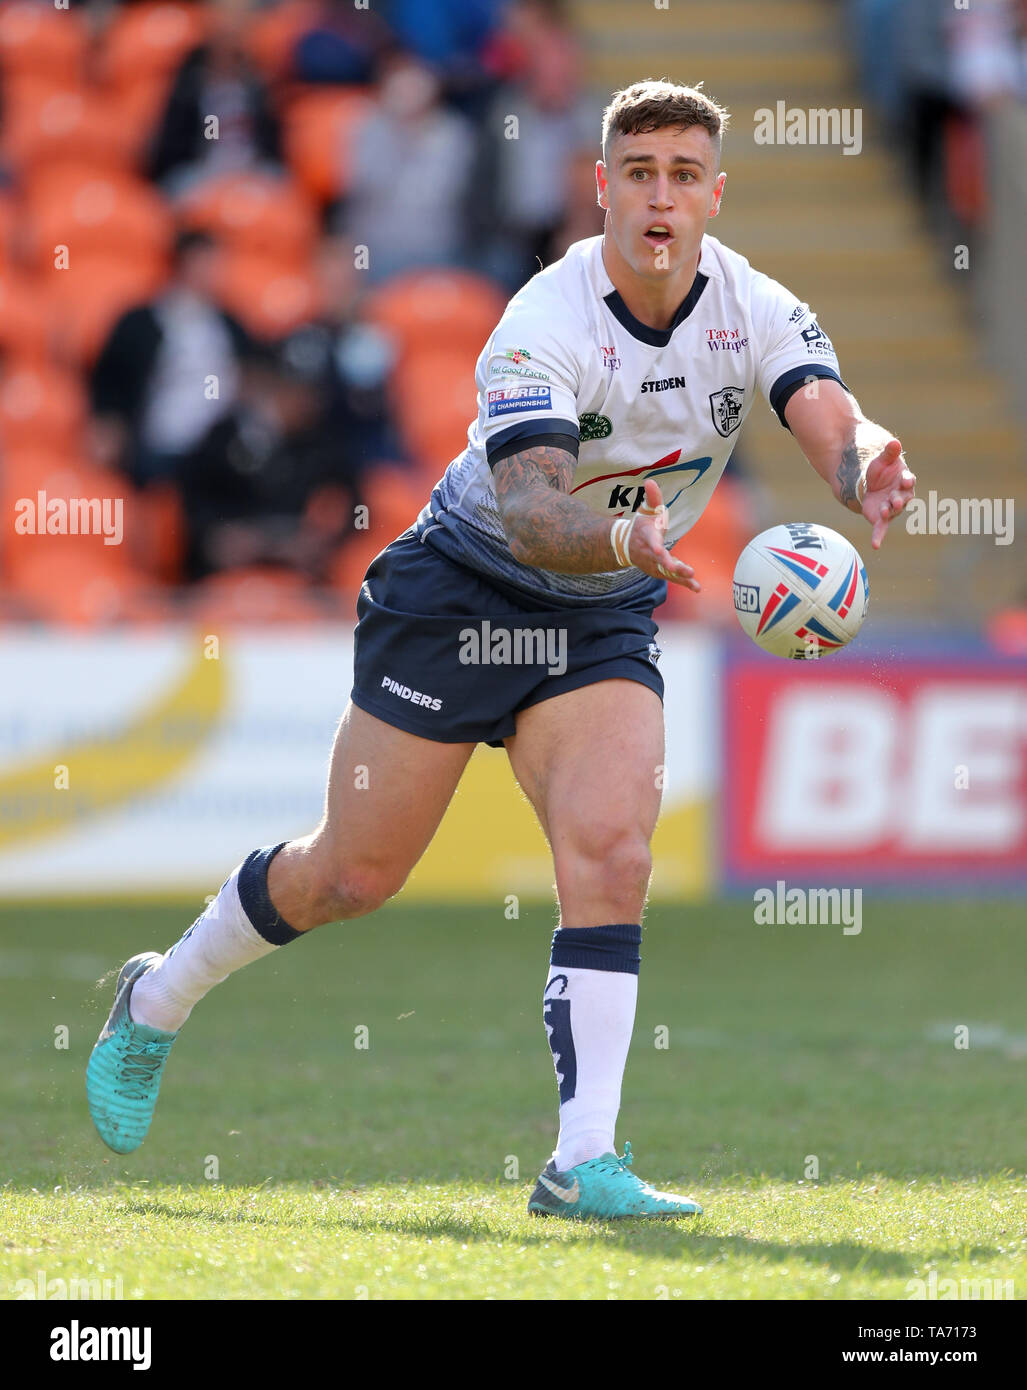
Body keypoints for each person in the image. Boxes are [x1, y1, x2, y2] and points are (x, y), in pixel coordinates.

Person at [87, 80, 916, 1219]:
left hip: (601, 613)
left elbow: (821, 405)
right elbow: (529, 508)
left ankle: (580, 1160)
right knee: (351, 875)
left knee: (613, 849)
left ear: (715, 196)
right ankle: (156, 998)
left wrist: (863, 460)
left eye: (683, 176)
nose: (660, 198)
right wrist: (623, 530)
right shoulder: (541, 318)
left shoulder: (756, 305)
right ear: (602, 189)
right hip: (460, 590)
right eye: (639, 174)